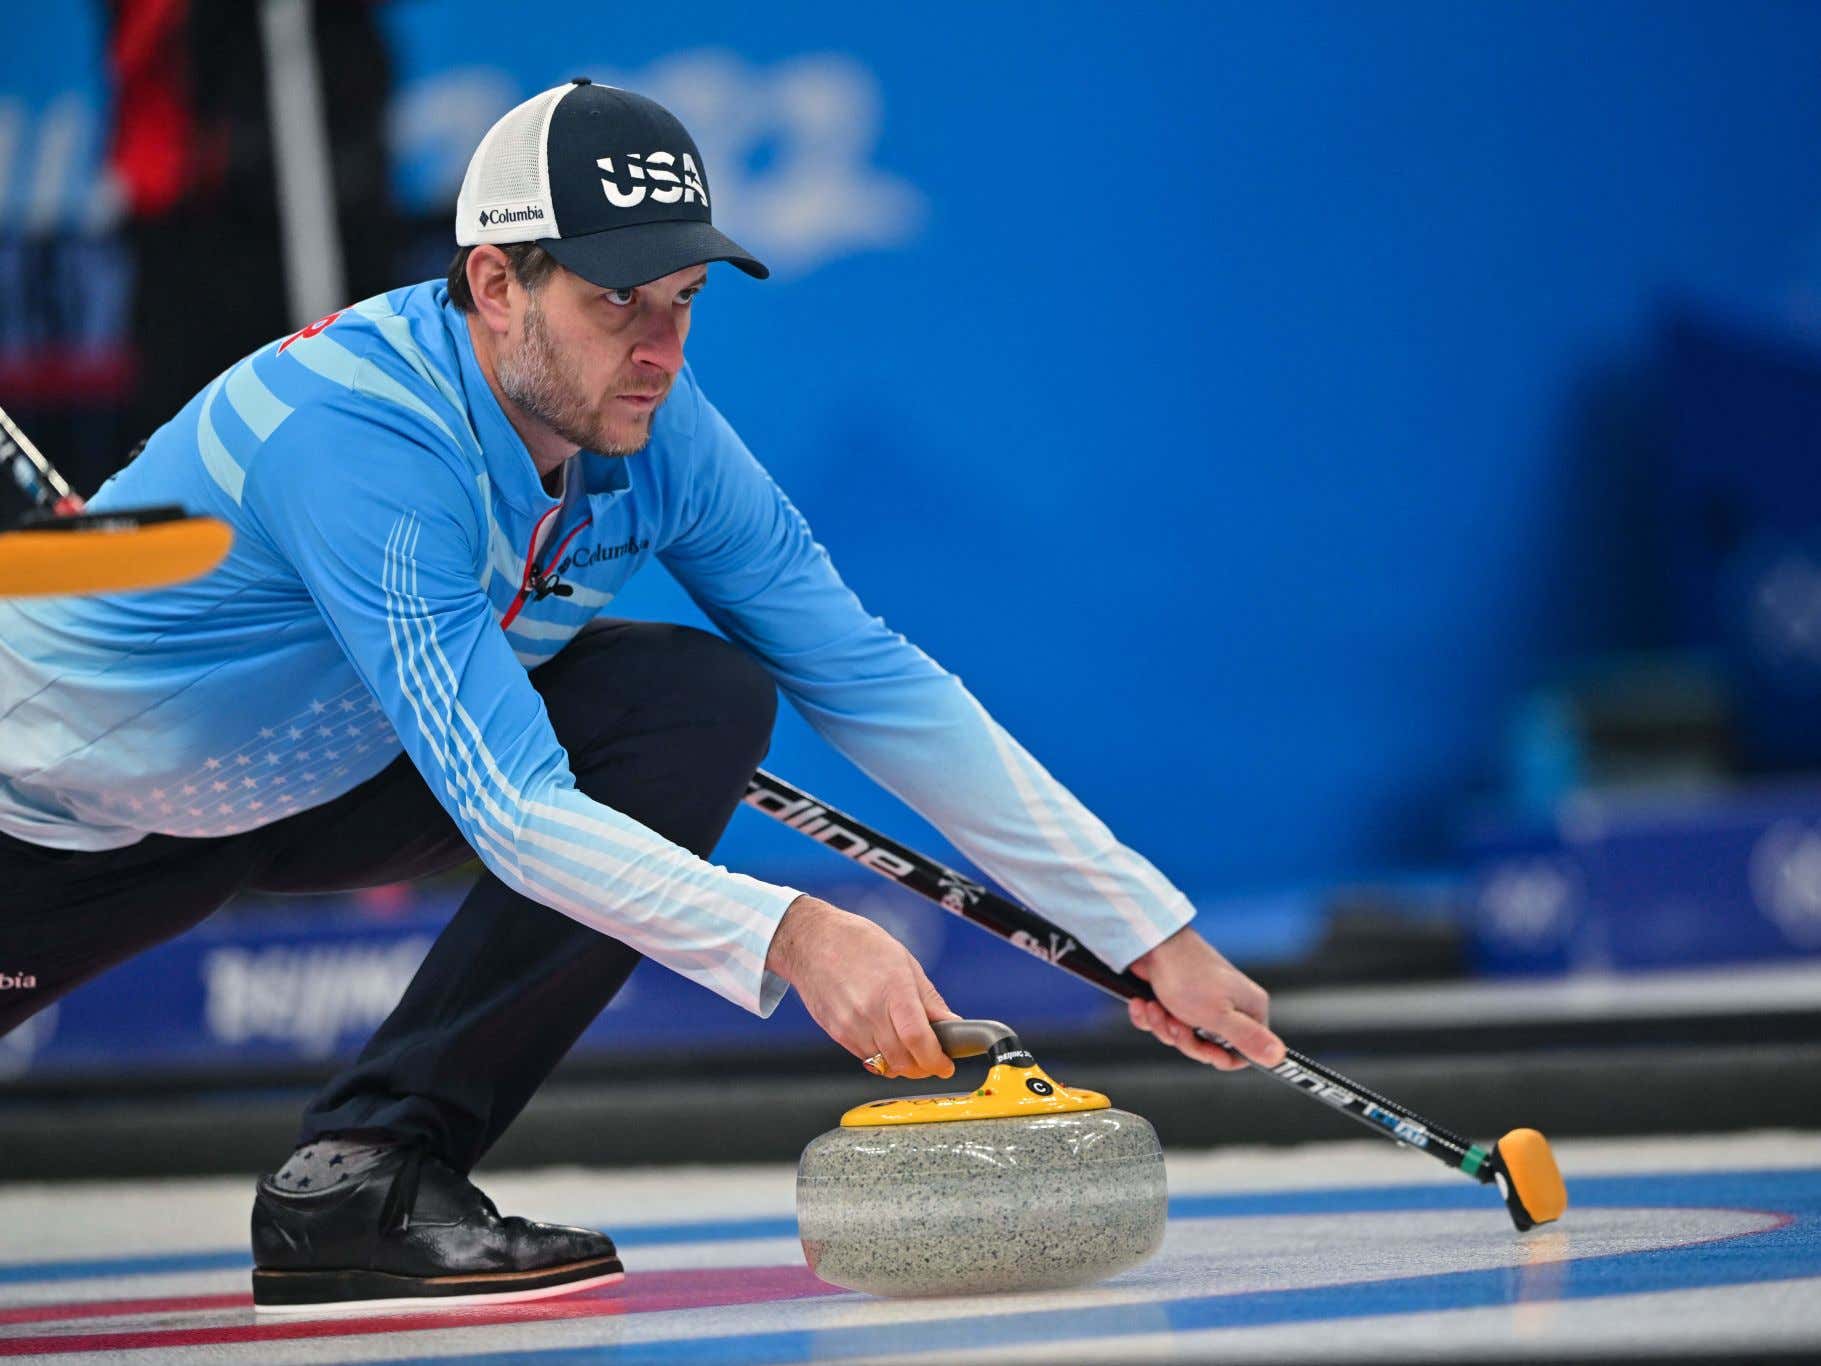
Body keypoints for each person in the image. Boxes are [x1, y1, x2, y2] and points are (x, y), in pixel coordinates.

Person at [0, 80, 1283, 1311]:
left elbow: (869, 672)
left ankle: (366, 1180)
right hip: (53, 828)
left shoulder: (652, 431)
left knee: (690, 700)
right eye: (621, 300)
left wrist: (1141, 929)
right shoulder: (362, 438)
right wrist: (792, 931)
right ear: (498, 283)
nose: (661, 351)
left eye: (684, 300)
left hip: (317, 767)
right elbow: (511, 809)